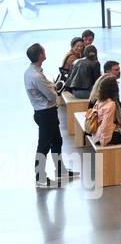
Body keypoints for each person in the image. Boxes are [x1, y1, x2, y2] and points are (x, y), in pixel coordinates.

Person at [26, 43, 77, 188]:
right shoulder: (36, 76)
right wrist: (54, 90)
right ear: (40, 55)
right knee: (43, 146)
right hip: (46, 114)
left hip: (45, 113)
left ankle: (61, 170)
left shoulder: (32, 72)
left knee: (57, 141)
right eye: (43, 50)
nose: (45, 52)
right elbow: (52, 96)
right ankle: (40, 178)